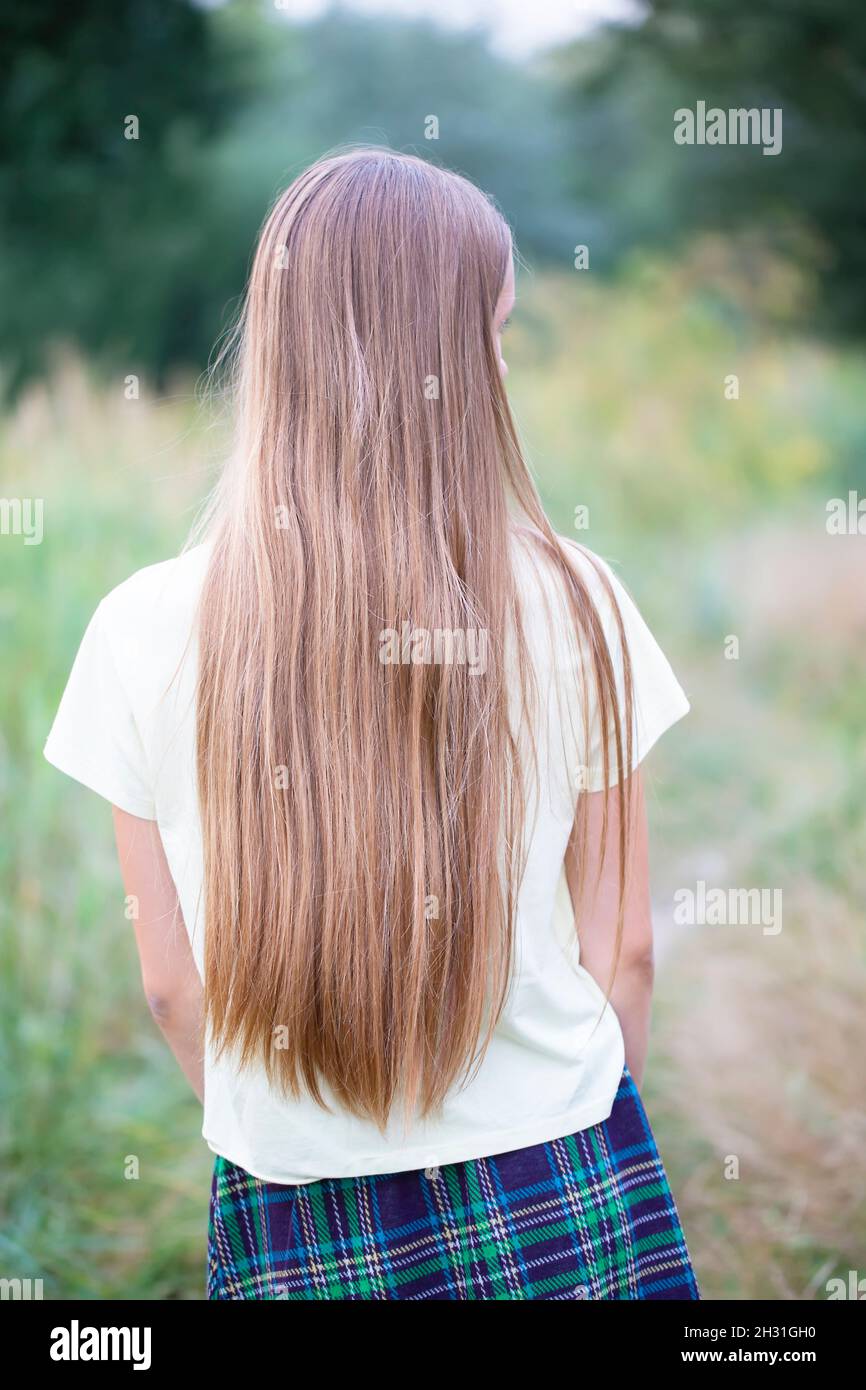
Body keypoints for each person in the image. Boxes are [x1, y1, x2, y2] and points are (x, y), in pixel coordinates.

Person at [44, 148, 699, 1300]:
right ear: (448, 357)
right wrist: (581, 1113)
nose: (503, 364)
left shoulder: (139, 626)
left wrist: (293, 1137)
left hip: (289, 1203)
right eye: (495, 333)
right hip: (555, 1176)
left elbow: (170, 987)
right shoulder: (579, 599)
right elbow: (623, 951)